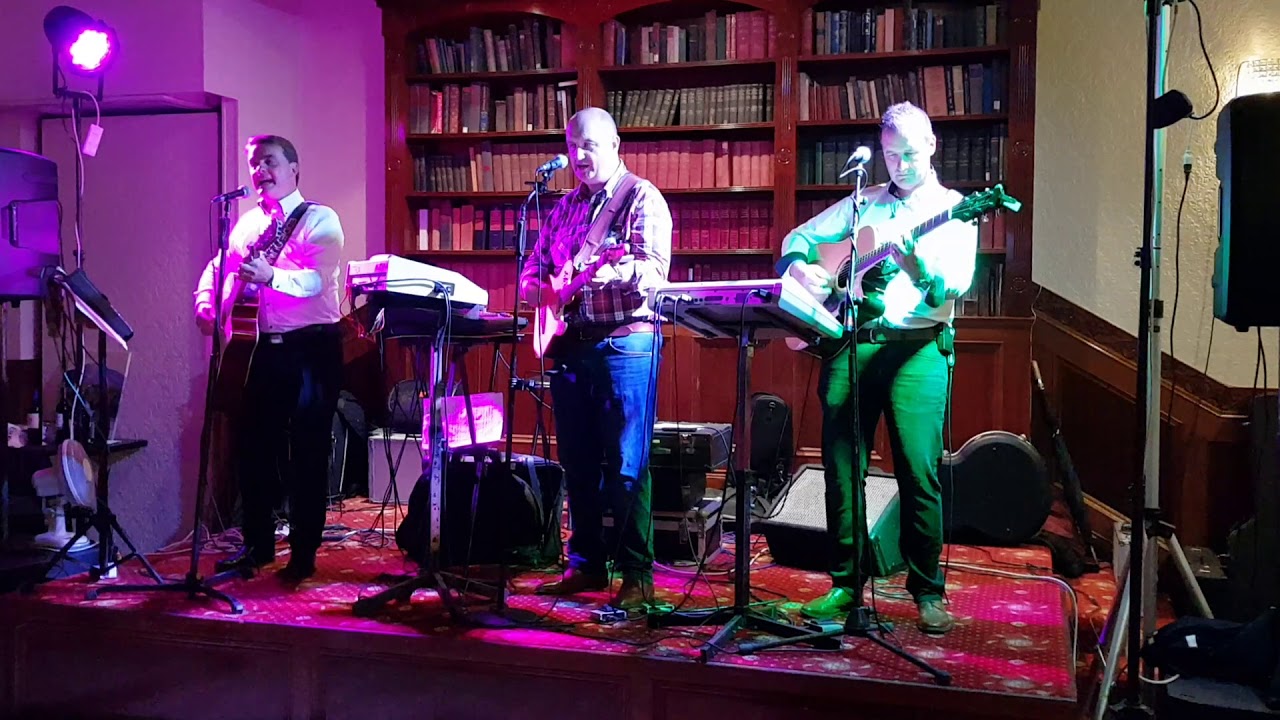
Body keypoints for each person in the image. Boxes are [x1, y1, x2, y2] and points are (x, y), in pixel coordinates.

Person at [777, 102, 977, 634]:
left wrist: (919, 267)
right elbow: (795, 240)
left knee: (918, 470)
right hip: (853, 343)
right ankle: (844, 584)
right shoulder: (860, 204)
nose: (901, 165)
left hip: (919, 347)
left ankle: (927, 590)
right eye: (892, 155)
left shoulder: (956, 209)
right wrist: (803, 270)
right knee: (842, 469)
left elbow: (951, 289)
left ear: (932, 146)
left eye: (910, 154)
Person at [518, 107, 671, 611]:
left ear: (614, 144)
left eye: (589, 145)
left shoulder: (640, 197)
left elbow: (652, 272)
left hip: (626, 343)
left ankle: (636, 575)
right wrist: (545, 290)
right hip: (571, 344)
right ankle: (585, 563)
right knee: (578, 463)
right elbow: (531, 273)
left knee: (627, 466)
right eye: (572, 146)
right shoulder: (562, 208)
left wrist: (609, 274)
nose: (578, 156)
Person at [193, 134, 345, 583]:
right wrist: (206, 301)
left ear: (294, 168)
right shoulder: (245, 224)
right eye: (255, 163)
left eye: (270, 161)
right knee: (253, 449)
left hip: (312, 349)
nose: (260, 170)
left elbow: (316, 283)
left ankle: (303, 553)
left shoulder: (321, 219)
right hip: (263, 348)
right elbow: (216, 268)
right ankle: (257, 546)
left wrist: (271, 275)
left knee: (308, 452)